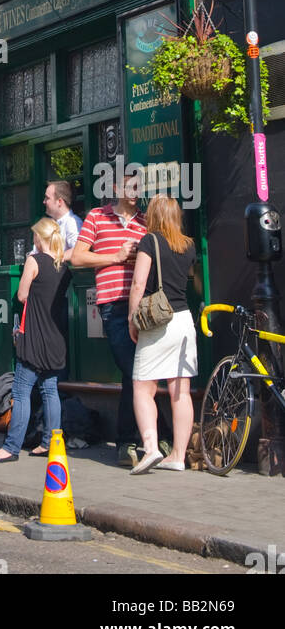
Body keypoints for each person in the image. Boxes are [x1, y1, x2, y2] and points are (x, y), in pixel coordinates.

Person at [71, 173, 147, 466]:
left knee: (140, 372)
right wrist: (115, 257)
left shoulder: (145, 221)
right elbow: (77, 258)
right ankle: (137, 439)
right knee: (134, 370)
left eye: (139, 187)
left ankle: (136, 440)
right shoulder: (96, 216)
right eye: (131, 186)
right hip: (113, 305)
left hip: (142, 307)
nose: (136, 192)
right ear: (116, 188)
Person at [0, 218, 71, 464]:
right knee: (50, 391)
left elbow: (22, 295)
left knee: (21, 393)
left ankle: (11, 448)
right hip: (56, 339)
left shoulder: (34, 261)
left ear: (39, 238)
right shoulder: (63, 266)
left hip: (33, 337)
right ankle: (51, 444)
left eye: (34, 236)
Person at [128, 195, 198, 474]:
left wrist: (133, 319)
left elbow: (138, 283)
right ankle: (179, 456)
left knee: (142, 387)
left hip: (157, 321)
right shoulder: (189, 245)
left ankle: (151, 447)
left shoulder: (149, 241)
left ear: (154, 216)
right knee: (180, 390)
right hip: (183, 321)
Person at [44, 181, 82, 258]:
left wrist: (54, 259)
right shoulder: (49, 223)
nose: (44, 202)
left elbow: (78, 250)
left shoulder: (72, 222)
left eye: (47, 198)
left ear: (59, 202)